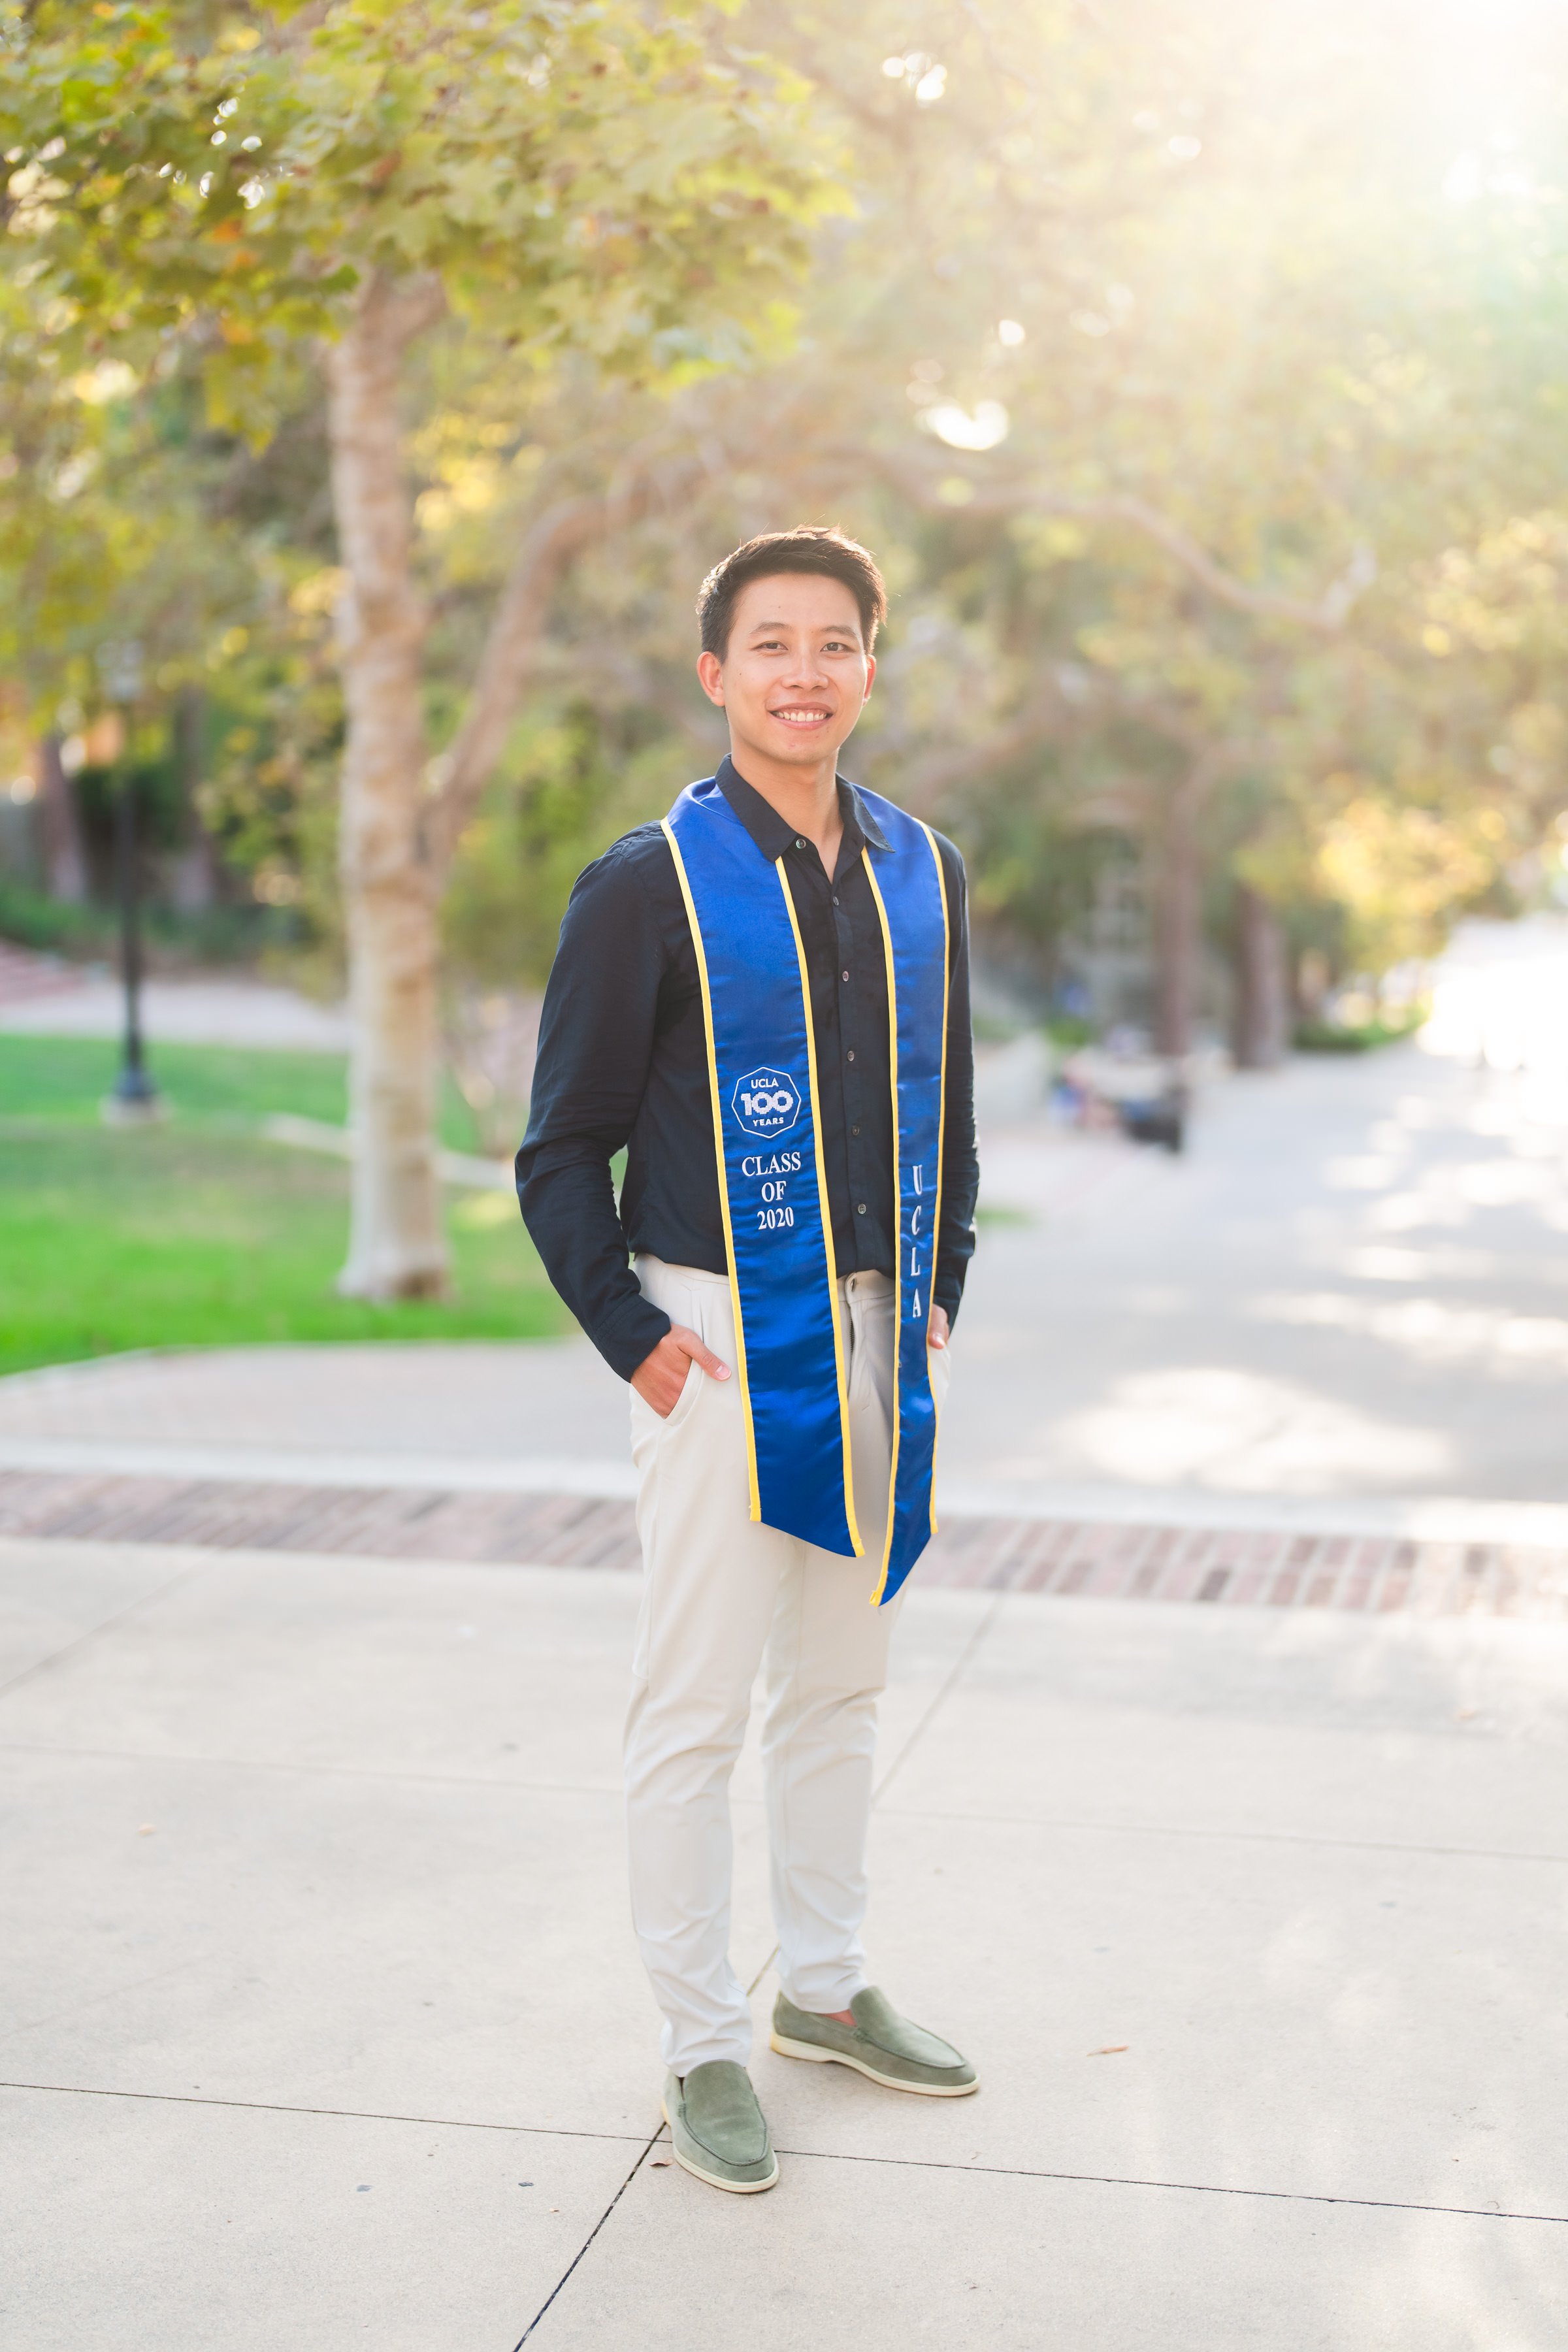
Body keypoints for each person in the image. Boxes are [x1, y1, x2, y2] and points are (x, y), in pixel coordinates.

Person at [517, 526, 980, 2195]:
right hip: (709, 1341)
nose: (806, 672)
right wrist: (636, 1339)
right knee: (698, 1703)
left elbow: (955, 1115)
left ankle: (830, 1989)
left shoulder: (922, 872)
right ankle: (703, 2040)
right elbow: (558, 1144)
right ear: (716, 674)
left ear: (870, 664)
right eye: (771, 644)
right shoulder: (648, 884)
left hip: (868, 1335)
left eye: (836, 643)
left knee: (844, 1687)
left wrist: (939, 1283)